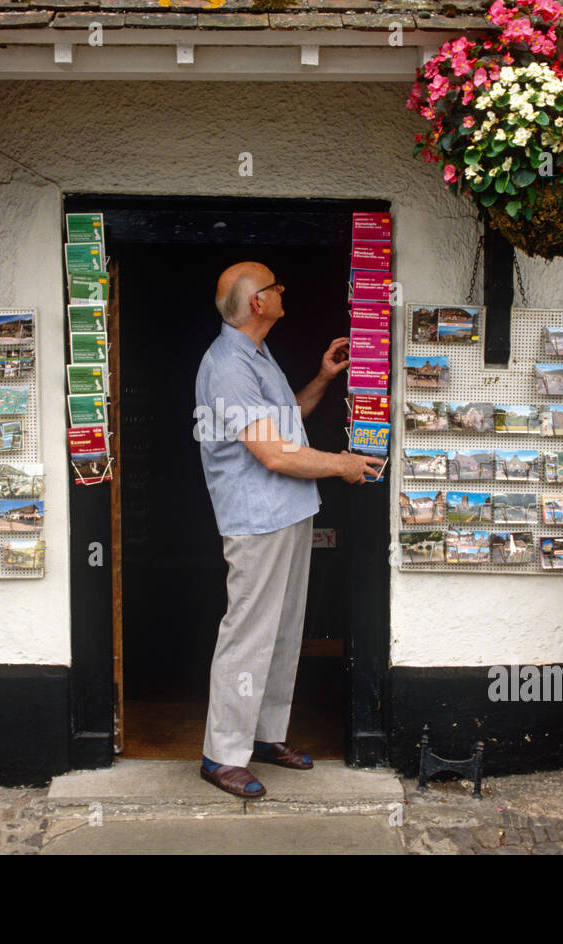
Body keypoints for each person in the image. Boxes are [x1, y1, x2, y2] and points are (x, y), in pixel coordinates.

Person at [194, 261, 384, 799]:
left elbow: (283, 423)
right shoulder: (228, 364)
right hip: (257, 519)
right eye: (277, 286)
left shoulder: (256, 354)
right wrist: (343, 464)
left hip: (288, 513)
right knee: (248, 633)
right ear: (258, 302)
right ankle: (222, 755)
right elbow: (273, 454)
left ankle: (264, 735)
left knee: (281, 633)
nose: (284, 291)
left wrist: (323, 378)